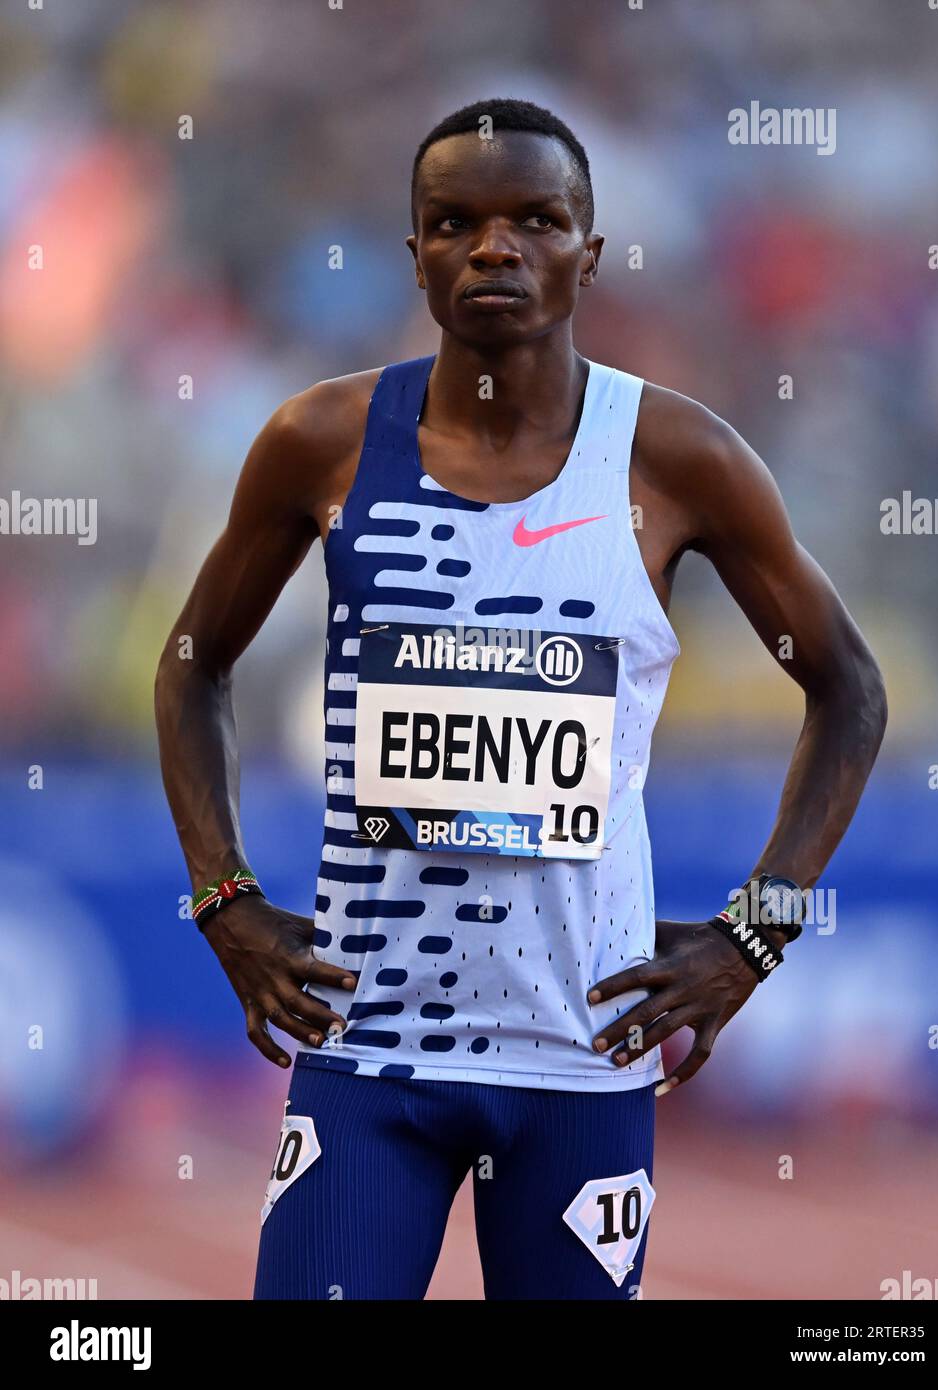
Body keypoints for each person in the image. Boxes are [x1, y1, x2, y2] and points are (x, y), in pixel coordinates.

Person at [154, 98, 887, 1301]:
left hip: (583, 1057)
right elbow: (192, 664)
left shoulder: (673, 458)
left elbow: (849, 689)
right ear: (416, 254)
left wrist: (754, 936)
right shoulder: (322, 442)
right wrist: (223, 896)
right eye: (456, 223)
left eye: (537, 220)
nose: (496, 249)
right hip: (369, 1048)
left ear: (589, 253)